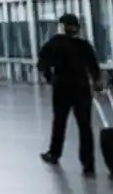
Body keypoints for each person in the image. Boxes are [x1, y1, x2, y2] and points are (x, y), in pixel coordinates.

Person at [37, 13, 102, 176]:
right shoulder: (83, 45)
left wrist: (49, 77)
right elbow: (93, 65)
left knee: (59, 122)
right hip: (81, 87)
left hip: (62, 86)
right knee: (85, 126)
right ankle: (88, 165)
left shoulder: (54, 43)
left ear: (62, 26)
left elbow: (42, 61)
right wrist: (97, 81)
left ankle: (54, 154)